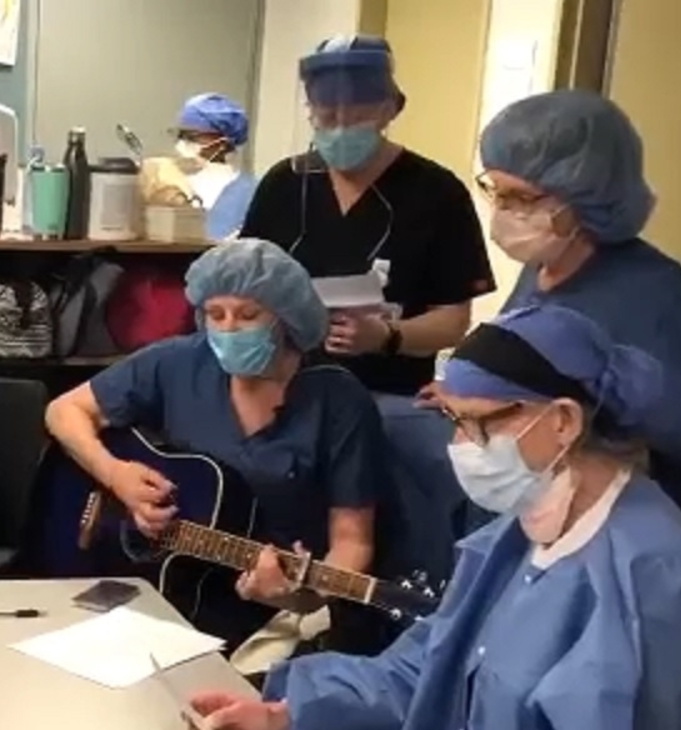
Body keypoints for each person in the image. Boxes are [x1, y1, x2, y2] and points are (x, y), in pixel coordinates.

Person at [191, 305, 681, 730]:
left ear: (562, 421)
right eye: (453, 421)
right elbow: (429, 668)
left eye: (475, 424)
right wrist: (288, 711)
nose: (460, 446)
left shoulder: (647, 581)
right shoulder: (520, 533)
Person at [44, 239, 380, 652]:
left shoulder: (338, 402)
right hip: (163, 592)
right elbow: (64, 412)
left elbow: (353, 543)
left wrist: (299, 596)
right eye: (215, 315)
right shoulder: (178, 362)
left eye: (248, 315)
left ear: (287, 317)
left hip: (267, 612)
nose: (228, 329)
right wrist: (115, 476)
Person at [479, 89, 681, 535]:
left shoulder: (648, 296)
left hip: (622, 537)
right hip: (541, 521)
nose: (503, 212)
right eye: (496, 192)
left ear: (581, 195)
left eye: (521, 198)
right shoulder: (543, 269)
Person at [239, 35, 494, 397]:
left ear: (390, 109)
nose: (340, 128)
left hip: (389, 396)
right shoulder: (286, 184)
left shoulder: (437, 192)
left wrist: (386, 336)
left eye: (357, 117)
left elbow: (452, 320)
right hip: (285, 389)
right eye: (327, 117)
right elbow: (243, 286)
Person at [173, 92, 258, 240]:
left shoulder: (251, 192)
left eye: (192, 137)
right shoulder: (174, 185)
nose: (183, 143)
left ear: (223, 142)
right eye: (180, 135)